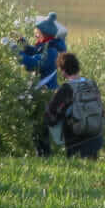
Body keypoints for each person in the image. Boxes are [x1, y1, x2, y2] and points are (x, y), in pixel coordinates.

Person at [15, 12, 67, 155]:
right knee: (37, 126)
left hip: (46, 93)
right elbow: (33, 51)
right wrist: (21, 42)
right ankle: (43, 155)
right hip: (43, 92)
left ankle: (44, 156)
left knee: (40, 126)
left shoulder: (51, 51)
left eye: (37, 32)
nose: (36, 34)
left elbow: (35, 63)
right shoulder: (46, 46)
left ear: (45, 33)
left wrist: (16, 52)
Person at [43, 52, 104, 159]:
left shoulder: (67, 88)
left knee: (79, 171)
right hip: (96, 136)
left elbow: (51, 115)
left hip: (75, 140)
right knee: (93, 171)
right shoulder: (91, 83)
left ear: (63, 70)